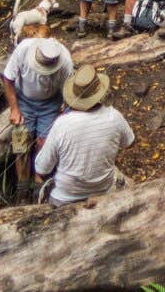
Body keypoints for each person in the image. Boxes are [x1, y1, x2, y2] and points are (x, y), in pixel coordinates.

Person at [34, 63, 134, 205]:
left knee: (42, 173)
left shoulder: (62, 124)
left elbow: (42, 170)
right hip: (102, 189)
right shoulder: (114, 116)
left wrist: (42, 148)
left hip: (64, 197)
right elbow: (129, 142)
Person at [1, 35, 73, 199]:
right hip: (24, 100)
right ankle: (22, 187)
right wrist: (14, 109)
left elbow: (70, 94)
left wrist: (62, 116)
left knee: (45, 144)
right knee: (21, 143)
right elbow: (8, 78)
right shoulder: (24, 49)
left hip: (51, 103)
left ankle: (38, 185)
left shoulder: (65, 61)